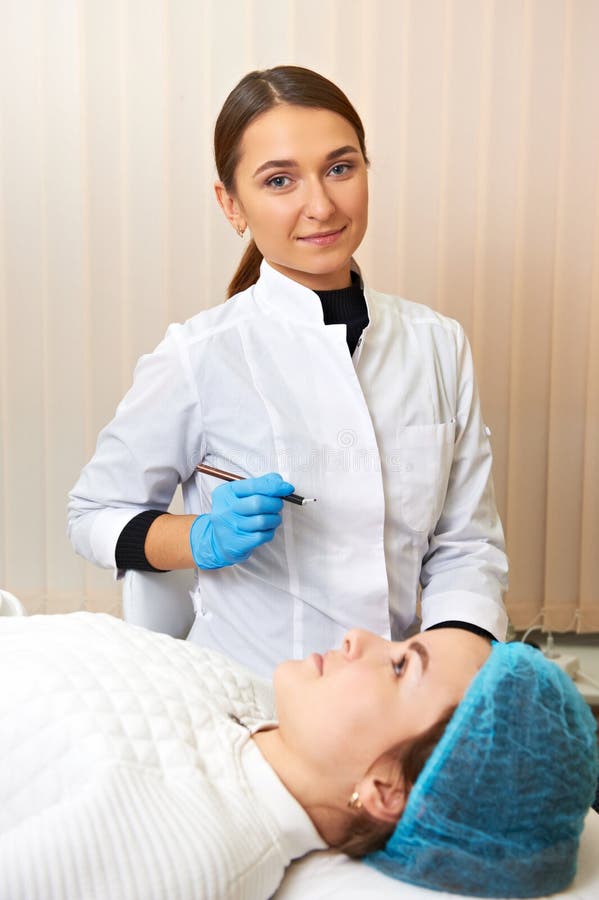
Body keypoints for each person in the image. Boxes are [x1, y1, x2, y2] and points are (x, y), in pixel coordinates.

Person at [68, 65, 509, 677]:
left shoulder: (438, 344)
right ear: (231, 205)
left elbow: (468, 546)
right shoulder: (199, 354)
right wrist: (196, 536)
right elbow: (92, 515)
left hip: (403, 690)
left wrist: (443, 678)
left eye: (340, 167)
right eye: (279, 180)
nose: (321, 205)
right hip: (257, 694)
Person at [0, 613, 596, 900]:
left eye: (398, 665)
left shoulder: (176, 843)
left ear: (388, 789)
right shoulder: (250, 697)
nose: (356, 637)